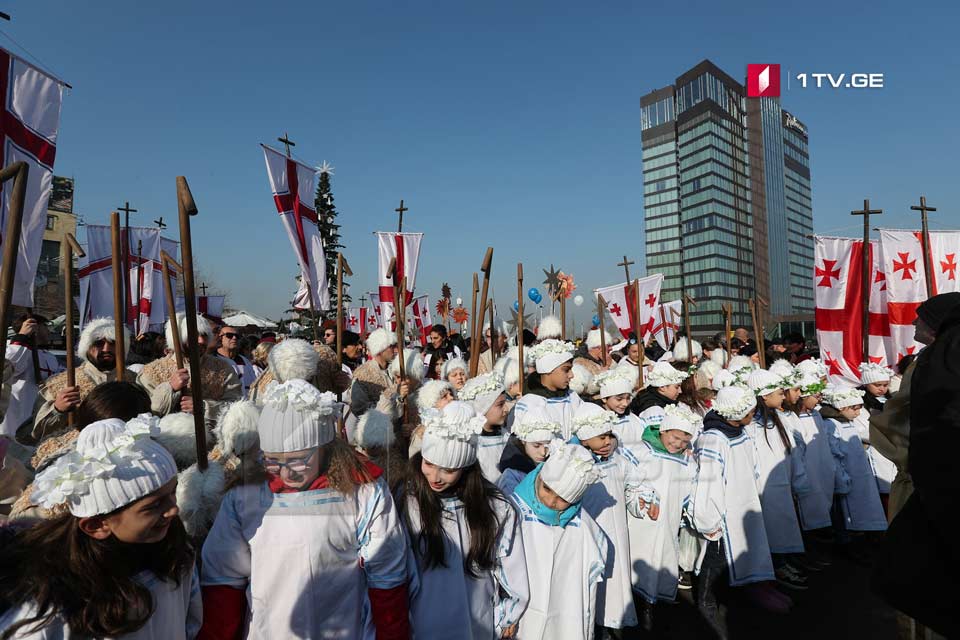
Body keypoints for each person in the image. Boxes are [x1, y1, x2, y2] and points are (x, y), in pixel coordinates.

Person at [199, 378, 410, 638]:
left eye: (299, 460)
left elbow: (386, 570)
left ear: (324, 448)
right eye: (273, 460)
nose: (286, 472)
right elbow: (223, 577)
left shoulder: (362, 490)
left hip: (342, 626)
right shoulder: (246, 496)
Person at [0, 416, 200, 639]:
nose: (174, 509)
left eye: (172, 493)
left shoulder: (176, 554)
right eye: (153, 505)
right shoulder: (55, 609)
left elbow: (190, 622)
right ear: (96, 525)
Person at [400, 401, 529, 638]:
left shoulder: (495, 506)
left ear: (466, 467)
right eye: (429, 464)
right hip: (423, 622)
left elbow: (511, 565)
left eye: (448, 470)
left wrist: (506, 616)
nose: (435, 477)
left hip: (476, 621)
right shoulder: (407, 503)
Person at [874, 293, 960, 637]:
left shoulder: (934, 362)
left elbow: (898, 426)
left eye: (920, 317)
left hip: (927, 484)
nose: (913, 323)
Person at [689, 385, 789, 634]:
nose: (754, 414)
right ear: (735, 413)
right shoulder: (714, 439)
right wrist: (708, 518)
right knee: (717, 558)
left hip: (743, 501)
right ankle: (705, 601)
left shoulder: (740, 431)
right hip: (722, 510)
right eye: (750, 410)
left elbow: (751, 464)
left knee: (741, 552)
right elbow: (708, 481)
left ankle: (735, 594)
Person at [574, 403, 658, 635]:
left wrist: (641, 502)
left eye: (610, 436)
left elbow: (634, 483)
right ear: (584, 439)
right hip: (588, 535)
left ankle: (612, 624)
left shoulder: (618, 460)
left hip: (617, 536)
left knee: (614, 582)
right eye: (601, 437)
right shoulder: (577, 464)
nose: (608, 442)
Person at [510, 440, 606, 639]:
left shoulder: (582, 525)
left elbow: (597, 557)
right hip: (521, 608)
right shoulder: (512, 510)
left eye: (563, 499)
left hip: (564, 605)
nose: (551, 501)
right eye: (547, 489)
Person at [629, 403, 699, 631]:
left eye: (684, 441)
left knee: (663, 557)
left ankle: (652, 603)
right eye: (674, 437)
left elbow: (688, 487)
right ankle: (637, 604)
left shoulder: (685, 459)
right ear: (663, 431)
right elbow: (629, 480)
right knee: (638, 557)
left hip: (668, 520)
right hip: (641, 521)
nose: (678, 444)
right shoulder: (643, 451)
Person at [745, 369, 809, 591]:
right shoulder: (751, 426)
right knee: (769, 529)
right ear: (764, 396)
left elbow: (792, 452)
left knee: (783, 526)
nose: (784, 397)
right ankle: (774, 567)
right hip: (763, 488)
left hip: (781, 484)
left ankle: (783, 561)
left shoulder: (779, 419)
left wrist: (797, 480)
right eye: (779, 393)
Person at [32, 317, 138, 442]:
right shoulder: (59, 384)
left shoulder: (136, 381)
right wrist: (57, 409)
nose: (106, 349)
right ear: (87, 347)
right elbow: (36, 434)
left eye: (113, 343)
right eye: (99, 343)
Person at [137, 313, 242, 429]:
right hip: (166, 442)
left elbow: (236, 407)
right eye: (194, 335)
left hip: (212, 443)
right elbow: (144, 415)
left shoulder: (223, 368)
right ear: (177, 338)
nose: (201, 340)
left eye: (205, 335)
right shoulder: (151, 371)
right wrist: (169, 388)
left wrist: (204, 407)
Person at [819, 386, 887, 535]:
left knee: (862, 509)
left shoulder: (848, 422)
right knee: (847, 513)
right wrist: (841, 478)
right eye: (854, 408)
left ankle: (865, 534)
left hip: (859, 475)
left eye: (860, 408)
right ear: (841, 407)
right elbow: (834, 454)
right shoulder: (831, 425)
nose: (858, 413)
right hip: (847, 477)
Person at [1, 314, 63, 438]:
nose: (49, 330)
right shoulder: (11, 348)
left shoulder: (49, 356)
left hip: (39, 422)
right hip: (13, 424)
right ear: (35, 327)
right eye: (46, 326)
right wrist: (22, 337)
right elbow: (9, 367)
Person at [508, 339, 583, 439]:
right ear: (548, 369)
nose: (571, 375)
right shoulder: (528, 403)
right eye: (566, 370)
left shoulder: (573, 397)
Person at [496, 403, 561, 496]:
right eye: (536, 445)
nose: (543, 452)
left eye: (547, 446)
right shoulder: (511, 475)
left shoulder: (554, 464)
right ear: (523, 441)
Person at [856, 362, 897, 507]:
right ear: (866, 384)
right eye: (877, 385)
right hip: (875, 449)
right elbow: (860, 429)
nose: (882, 389)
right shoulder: (859, 403)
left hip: (893, 448)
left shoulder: (891, 401)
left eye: (885, 385)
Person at [458, 372, 510, 483]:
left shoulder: (506, 436)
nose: (506, 409)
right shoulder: (472, 443)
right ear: (481, 408)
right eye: (500, 404)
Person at [348, 328, 397, 417]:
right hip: (376, 426)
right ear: (380, 349)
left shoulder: (396, 369)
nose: (395, 350)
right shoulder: (362, 373)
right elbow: (359, 408)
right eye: (391, 346)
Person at [593, 367, 642, 449]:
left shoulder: (633, 418)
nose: (625, 403)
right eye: (619, 399)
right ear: (604, 398)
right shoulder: (597, 421)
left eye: (628, 398)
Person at [628, 361, 688, 427]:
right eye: (677, 387)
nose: (680, 391)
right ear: (662, 387)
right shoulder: (654, 410)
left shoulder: (666, 402)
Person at [216, 325, 258, 398]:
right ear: (220, 338)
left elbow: (253, 384)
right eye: (229, 335)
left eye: (237, 336)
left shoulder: (244, 360)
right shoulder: (214, 360)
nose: (234, 338)